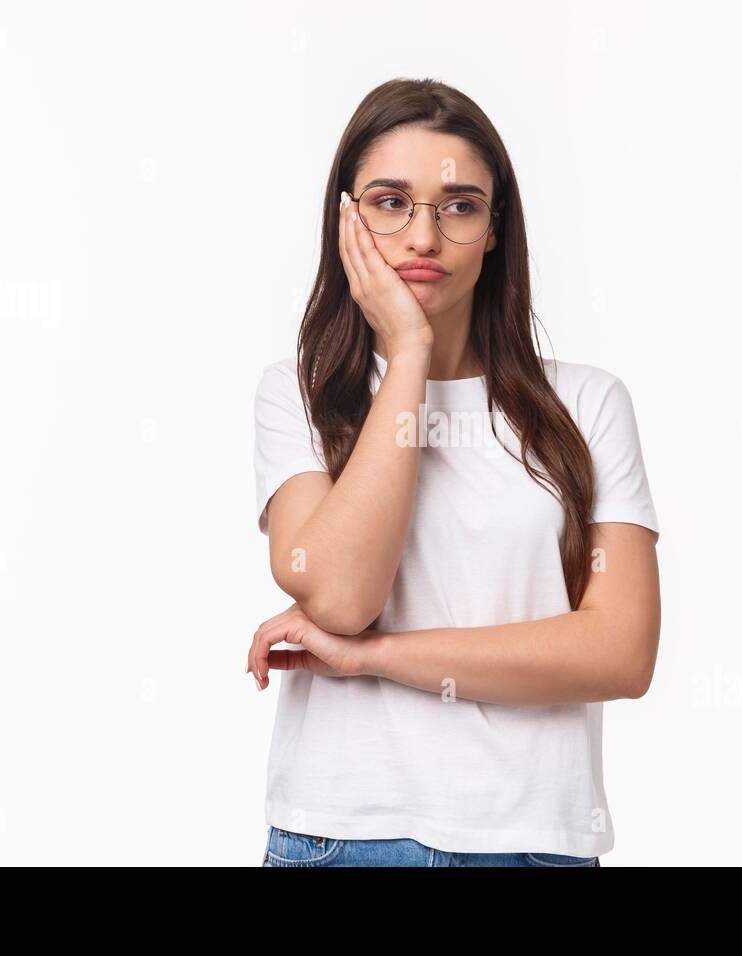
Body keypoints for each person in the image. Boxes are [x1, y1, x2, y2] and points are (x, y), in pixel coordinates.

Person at [248, 77, 660, 867]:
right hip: (346, 835)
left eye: (460, 205)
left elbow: (620, 652)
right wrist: (407, 353)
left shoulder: (589, 403)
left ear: (495, 229)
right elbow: (339, 593)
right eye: (391, 202)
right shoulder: (299, 394)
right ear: (347, 220)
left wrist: (372, 657)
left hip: (536, 840)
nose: (424, 237)